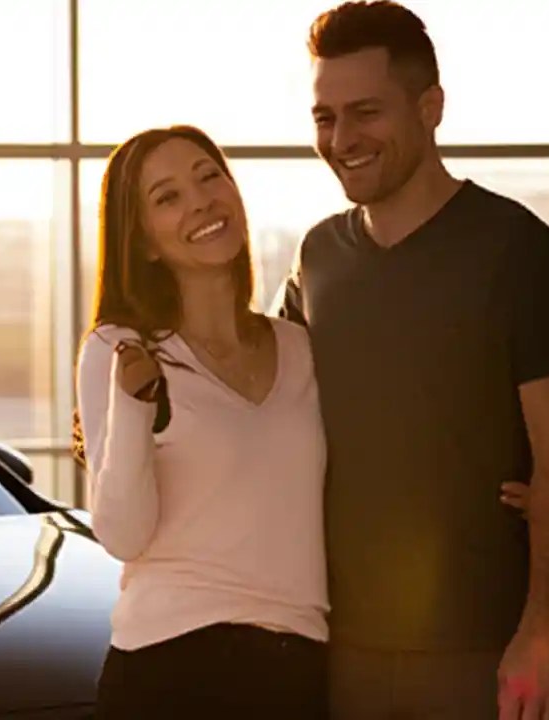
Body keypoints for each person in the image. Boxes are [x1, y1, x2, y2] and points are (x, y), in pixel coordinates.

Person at [277, 2, 549, 717]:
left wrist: (546, 625)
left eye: (365, 112)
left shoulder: (518, 251)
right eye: (325, 117)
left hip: (480, 651)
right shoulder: (316, 257)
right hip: (338, 646)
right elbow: (259, 392)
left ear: (431, 107)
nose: (342, 138)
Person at [73, 124, 329, 717]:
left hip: (298, 672)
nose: (201, 201)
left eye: (209, 177)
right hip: (172, 670)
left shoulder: (302, 348)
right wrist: (135, 404)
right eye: (168, 197)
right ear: (144, 243)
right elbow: (122, 535)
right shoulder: (118, 348)